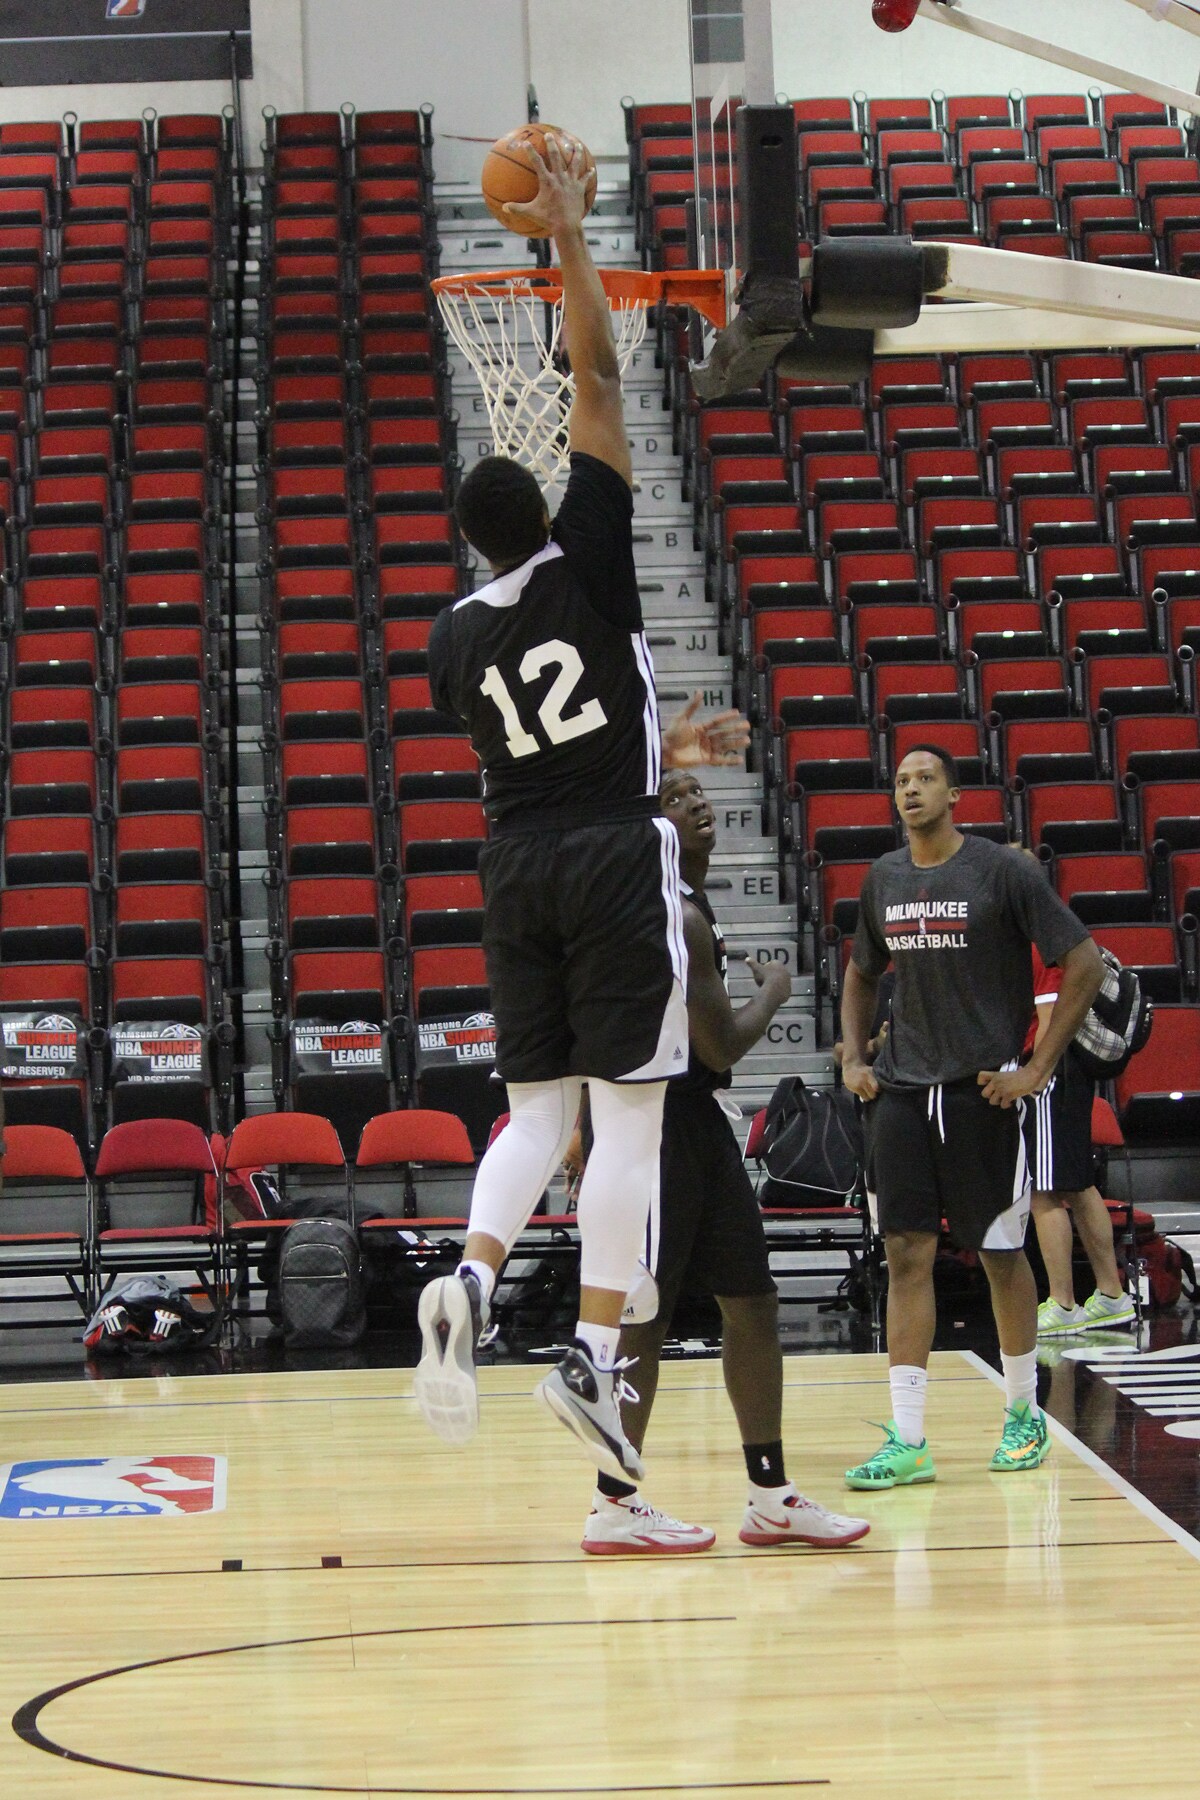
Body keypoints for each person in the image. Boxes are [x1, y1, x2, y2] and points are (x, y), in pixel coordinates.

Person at [413, 135, 743, 1481]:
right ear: (541, 505)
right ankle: (597, 1357)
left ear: (470, 540)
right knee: (632, 1120)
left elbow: (545, 739)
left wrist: (660, 737)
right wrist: (565, 232)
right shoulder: (591, 554)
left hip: (515, 864)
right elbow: (599, 380)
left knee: (536, 1117)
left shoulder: (451, 639)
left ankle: (473, 1274)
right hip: (612, 859)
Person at [572, 769, 870, 1553]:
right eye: (674, 797)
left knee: (754, 1301)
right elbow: (722, 1045)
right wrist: (776, 990)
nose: (697, 802)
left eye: (699, 792)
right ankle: (613, 1502)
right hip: (654, 1126)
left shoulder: (688, 904)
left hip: (695, 1123)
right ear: (653, 829)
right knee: (644, 1318)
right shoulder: (675, 913)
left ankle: (770, 1495)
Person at [839, 745, 1105, 1488]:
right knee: (906, 1256)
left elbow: (1084, 963)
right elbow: (860, 972)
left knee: (998, 1252)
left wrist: (1037, 1068)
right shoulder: (883, 877)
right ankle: (908, 1439)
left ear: (954, 794)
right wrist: (853, 1057)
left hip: (980, 1093)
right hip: (901, 1094)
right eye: (901, 781)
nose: (911, 789)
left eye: (925, 778)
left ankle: (1024, 1414)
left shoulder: (1001, 871)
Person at [1024, 946, 1136, 1336]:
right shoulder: (1050, 939)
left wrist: (1034, 1077)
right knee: (1077, 1184)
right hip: (1062, 1073)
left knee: (1044, 1191)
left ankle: (1063, 1303)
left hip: (1049, 1073)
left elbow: (1049, 1018)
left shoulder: (1038, 945)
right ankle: (1112, 1296)